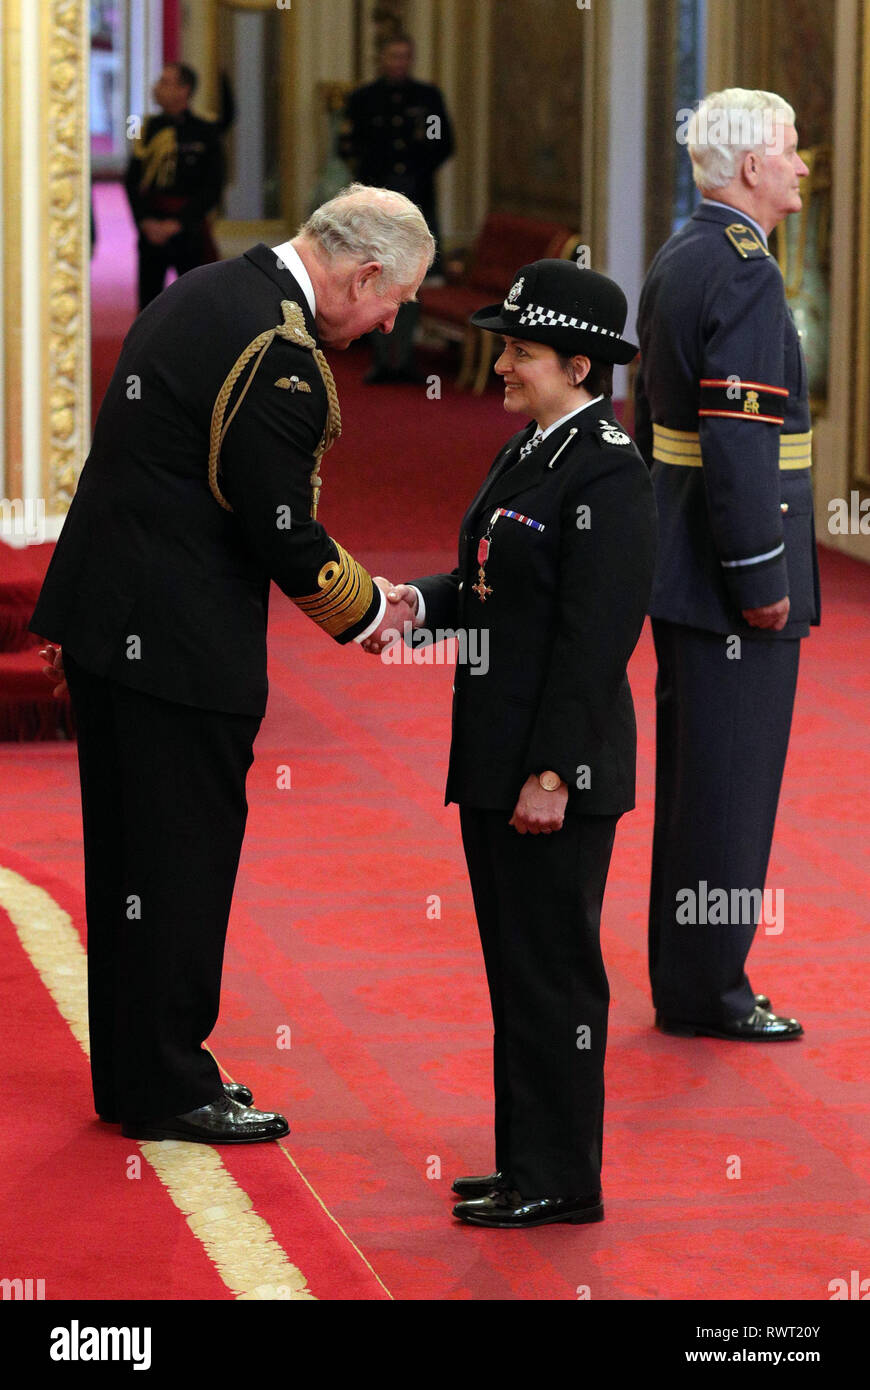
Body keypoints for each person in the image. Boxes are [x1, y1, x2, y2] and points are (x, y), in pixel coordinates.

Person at [32, 184, 431, 1144]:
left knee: (130, 861)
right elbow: (282, 528)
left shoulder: (216, 289)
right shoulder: (281, 352)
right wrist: (372, 610)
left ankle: (139, 1075)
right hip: (173, 647)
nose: (387, 323)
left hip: (112, 620)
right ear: (364, 271)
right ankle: (169, 1085)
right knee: (179, 867)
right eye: (395, 301)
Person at [368, 261, 656, 1226]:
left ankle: (564, 1178)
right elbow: (488, 578)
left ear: (580, 364)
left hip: (550, 770)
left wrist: (552, 771)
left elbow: (595, 635)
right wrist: (419, 603)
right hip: (496, 753)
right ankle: (525, 1159)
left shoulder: (608, 467)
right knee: (515, 969)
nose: (501, 364)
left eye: (520, 351)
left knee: (554, 975)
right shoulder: (533, 448)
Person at [634, 88, 819, 1041]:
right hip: (726, 569)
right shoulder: (743, 271)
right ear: (750, 166)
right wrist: (762, 578)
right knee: (729, 790)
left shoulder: (685, 250)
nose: (799, 165)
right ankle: (711, 991)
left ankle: (691, 980)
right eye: (789, 151)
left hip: (682, 555)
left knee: (700, 782)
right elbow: (740, 445)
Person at [338, 32, 454, 382]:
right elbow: (347, 145)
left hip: (417, 200)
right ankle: (380, 359)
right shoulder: (363, 99)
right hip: (377, 203)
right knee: (375, 276)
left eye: (405, 56)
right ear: (382, 59)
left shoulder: (428, 97)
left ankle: (404, 357)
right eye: (393, 56)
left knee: (414, 278)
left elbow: (443, 143)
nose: (399, 63)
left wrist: (415, 171)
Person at [125, 63, 226, 311]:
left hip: (188, 230)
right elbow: (132, 180)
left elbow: (213, 185)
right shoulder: (144, 128)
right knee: (148, 308)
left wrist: (179, 222)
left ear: (184, 90)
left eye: (165, 82)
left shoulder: (205, 130)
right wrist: (145, 221)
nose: (157, 88)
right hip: (152, 230)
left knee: (197, 307)